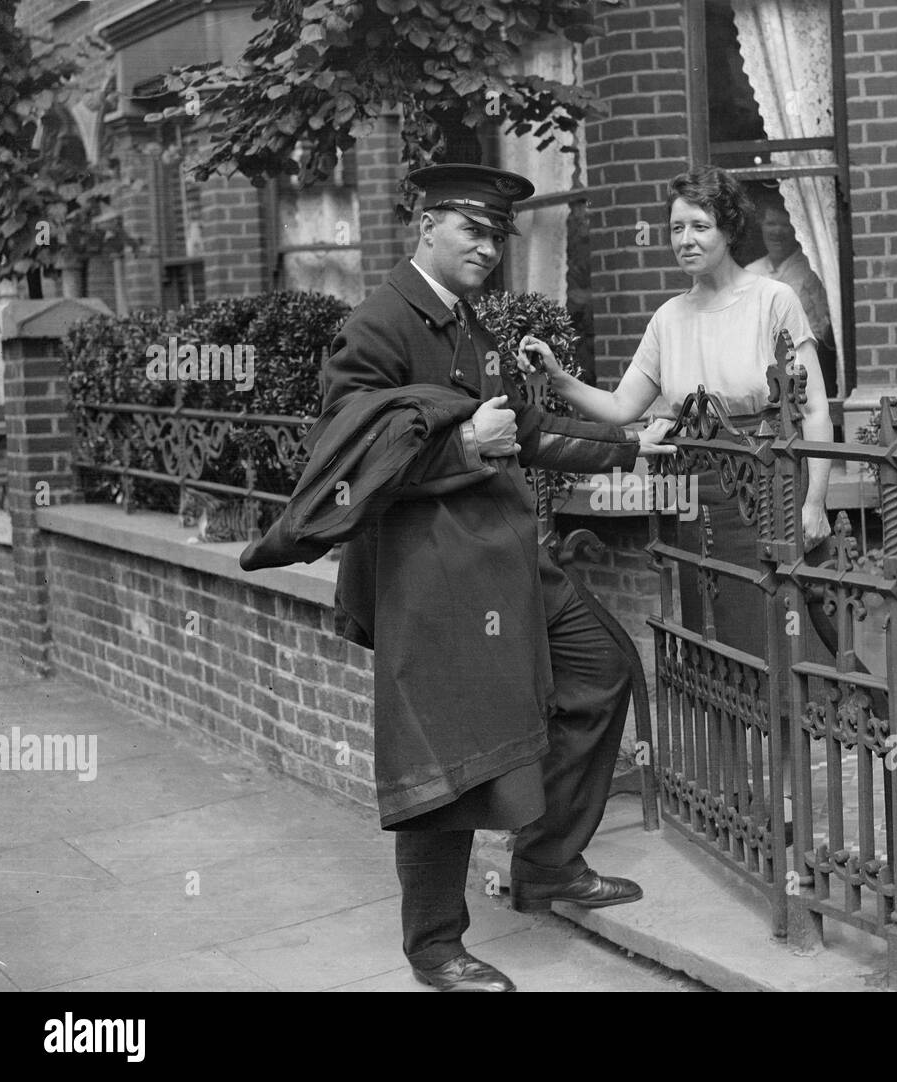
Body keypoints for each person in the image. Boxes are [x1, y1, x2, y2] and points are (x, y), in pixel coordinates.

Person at [251, 164, 676, 993]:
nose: (488, 247)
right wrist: (462, 448)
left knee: (600, 667)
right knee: (441, 755)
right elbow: (342, 463)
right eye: (471, 231)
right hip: (431, 572)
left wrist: (630, 445)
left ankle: (546, 862)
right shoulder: (377, 325)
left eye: (497, 236)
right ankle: (434, 945)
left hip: (508, 558)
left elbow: (526, 428)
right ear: (426, 227)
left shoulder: (469, 324)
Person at [517, 165, 835, 840]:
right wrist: (558, 377)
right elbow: (622, 407)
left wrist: (816, 501)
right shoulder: (669, 317)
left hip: (768, 489)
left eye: (699, 226)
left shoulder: (773, 300)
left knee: (770, 642)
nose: (684, 240)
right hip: (695, 499)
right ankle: (730, 791)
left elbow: (815, 411)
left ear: (727, 229)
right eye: (674, 229)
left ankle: (785, 801)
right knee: (709, 639)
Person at [746, 199, 838, 399]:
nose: (777, 232)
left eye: (785, 224)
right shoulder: (750, 273)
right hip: (759, 374)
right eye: (771, 223)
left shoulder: (812, 270)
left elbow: (824, 328)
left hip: (805, 369)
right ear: (762, 225)